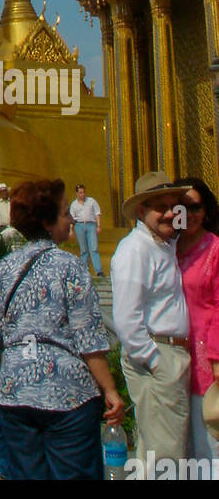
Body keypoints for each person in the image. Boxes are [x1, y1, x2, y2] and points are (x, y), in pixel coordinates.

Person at [0, 178, 125, 480]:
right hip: (66, 392)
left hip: (15, 389)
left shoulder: (5, 267)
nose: (70, 219)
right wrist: (110, 390)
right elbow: (88, 337)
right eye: (63, 214)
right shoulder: (69, 266)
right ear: (47, 222)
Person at [111, 171, 192, 473]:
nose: (170, 213)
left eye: (174, 206)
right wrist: (155, 361)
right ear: (142, 211)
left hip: (167, 355)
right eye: (161, 207)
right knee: (167, 458)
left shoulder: (162, 245)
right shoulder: (136, 250)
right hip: (158, 355)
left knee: (154, 452)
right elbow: (126, 318)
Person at [173, 176, 219, 470]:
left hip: (206, 362)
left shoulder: (215, 249)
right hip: (172, 362)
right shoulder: (166, 249)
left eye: (196, 207)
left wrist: (216, 361)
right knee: (180, 454)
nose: (189, 215)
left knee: (208, 451)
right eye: (183, 207)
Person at [69, 183, 103, 277]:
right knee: (84, 250)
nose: (82, 194)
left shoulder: (91, 201)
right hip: (79, 225)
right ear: (77, 193)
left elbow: (97, 213)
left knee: (94, 248)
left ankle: (98, 270)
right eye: (80, 193)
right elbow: (72, 218)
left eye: (83, 192)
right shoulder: (74, 204)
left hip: (91, 224)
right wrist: (71, 230)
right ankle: (84, 271)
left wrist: (99, 226)